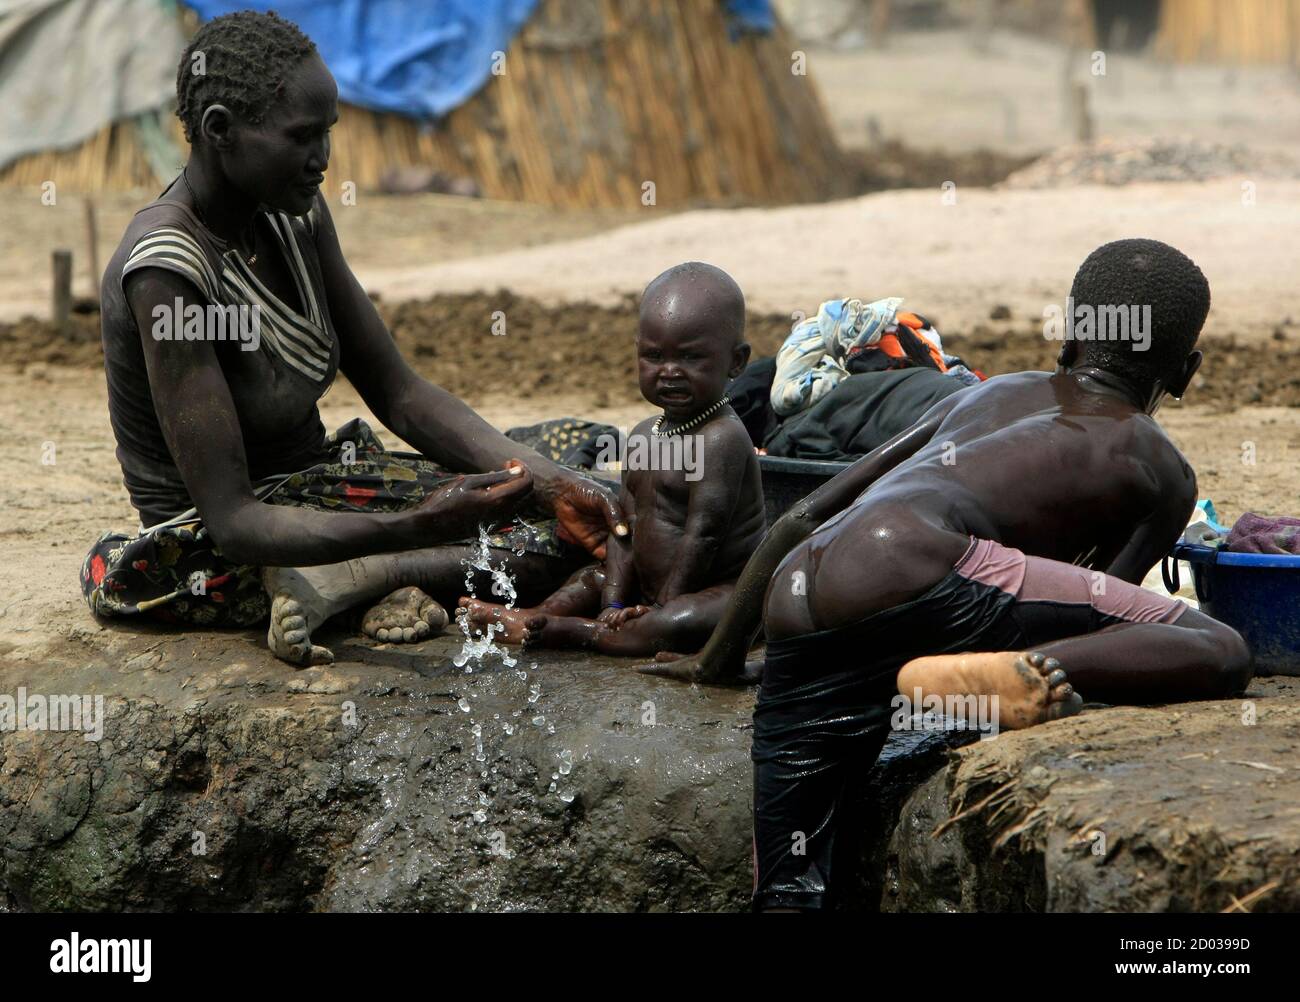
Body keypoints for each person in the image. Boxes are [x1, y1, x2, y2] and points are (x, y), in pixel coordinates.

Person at [644, 239, 1254, 910]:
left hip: (800, 590)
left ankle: (915, 684)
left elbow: (803, 516)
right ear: (1187, 371)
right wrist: (1043, 669)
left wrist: (716, 662)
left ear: (1070, 341)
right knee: (1221, 650)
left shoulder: (990, 396)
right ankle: (992, 671)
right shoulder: (1160, 466)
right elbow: (1113, 609)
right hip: (929, 566)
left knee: (792, 886)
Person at [82, 11, 625, 667]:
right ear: (221, 129)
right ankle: (382, 572)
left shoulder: (292, 213)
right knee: (543, 541)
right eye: (302, 137)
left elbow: (398, 393)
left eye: (327, 133)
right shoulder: (168, 271)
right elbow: (233, 519)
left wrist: (546, 481)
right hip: (232, 544)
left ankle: (373, 575)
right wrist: (415, 527)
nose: (323, 160)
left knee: (585, 465)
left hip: (327, 487)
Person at [460, 263, 765, 656]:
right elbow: (624, 526)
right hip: (650, 584)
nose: (670, 372)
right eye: (654, 356)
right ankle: (536, 616)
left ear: (736, 362)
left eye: (691, 359)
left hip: (716, 587)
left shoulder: (721, 438)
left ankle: (572, 631)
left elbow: (703, 535)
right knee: (592, 577)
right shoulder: (642, 435)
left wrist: (659, 607)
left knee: (680, 622)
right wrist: (613, 603)